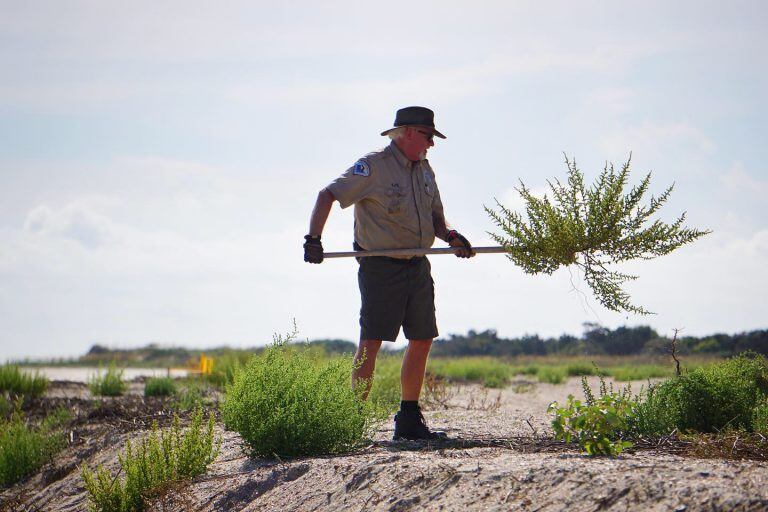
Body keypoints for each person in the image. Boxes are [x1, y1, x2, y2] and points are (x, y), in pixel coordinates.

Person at [304, 106, 474, 440]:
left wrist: (453, 237)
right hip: (380, 264)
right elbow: (328, 194)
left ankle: (408, 419)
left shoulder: (425, 171)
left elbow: (437, 219)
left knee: (422, 338)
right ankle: (351, 421)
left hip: (418, 263)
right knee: (372, 341)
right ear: (408, 132)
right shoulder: (374, 167)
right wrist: (313, 239)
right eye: (428, 136)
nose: (432, 144)